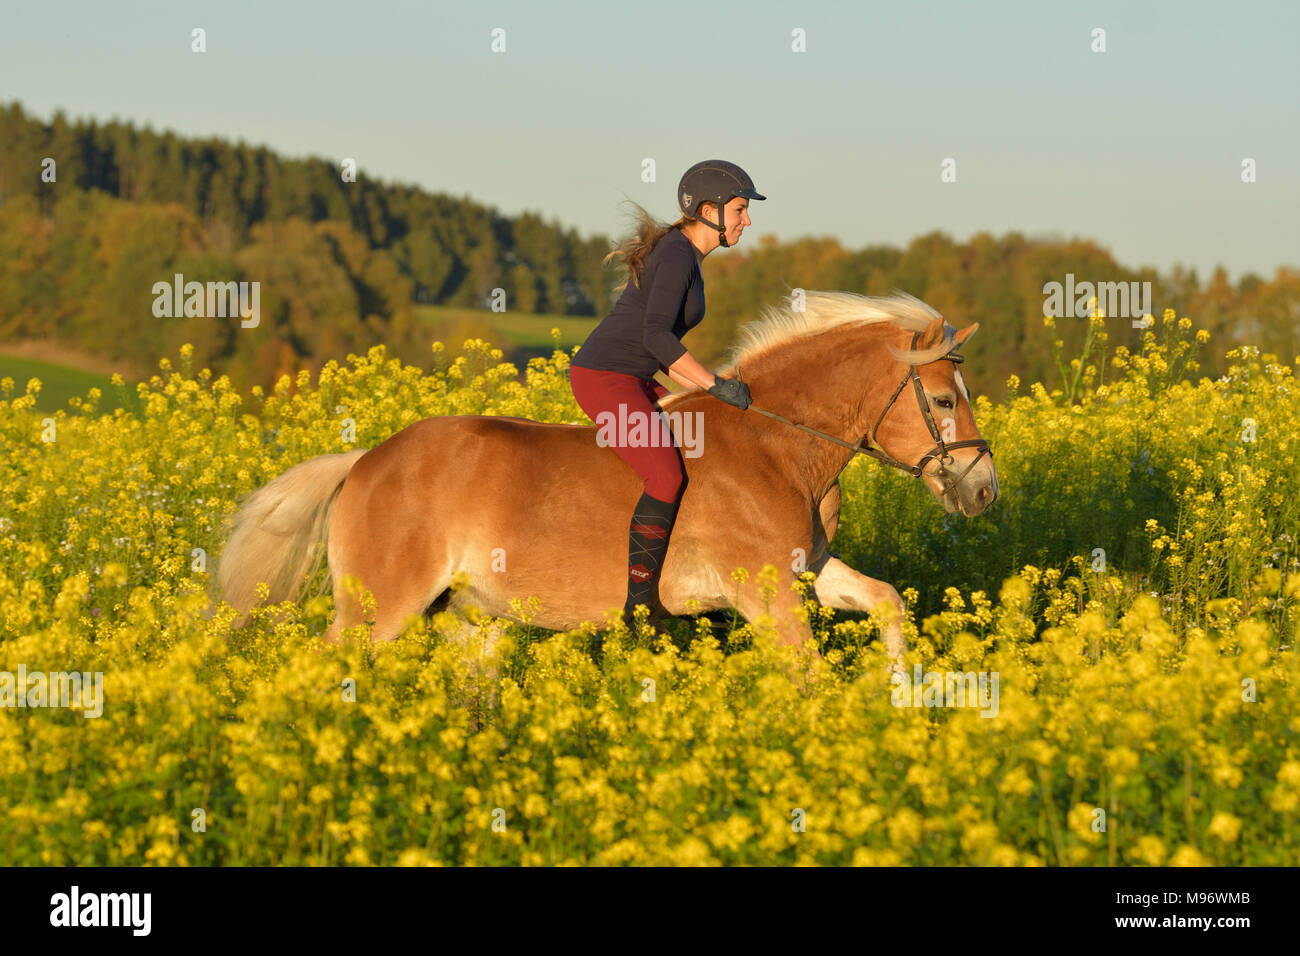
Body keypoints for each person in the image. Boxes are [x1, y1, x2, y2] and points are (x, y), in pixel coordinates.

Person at [569, 159, 762, 631]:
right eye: (740, 209)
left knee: (701, 454)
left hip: (635, 377)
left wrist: (704, 391)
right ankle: (640, 605)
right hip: (605, 377)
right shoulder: (676, 255)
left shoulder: (686, 257)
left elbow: (658, 344)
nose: (747, 220)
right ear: (709, 210)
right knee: (664, 473)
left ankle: (691, 580)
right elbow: (657, 338)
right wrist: (713, 384)